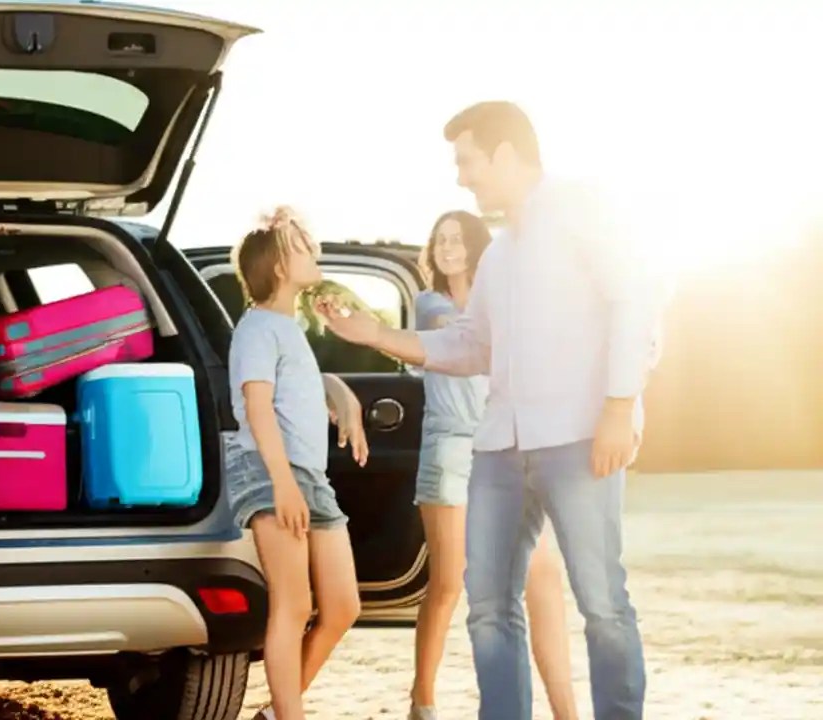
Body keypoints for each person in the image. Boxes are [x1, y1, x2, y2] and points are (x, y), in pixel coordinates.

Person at [317, 101, 658, 720]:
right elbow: (473, 346)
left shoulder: (581, 210)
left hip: (578, 439)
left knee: (603, 604)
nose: (461, 177)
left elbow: (635, 303)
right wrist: (376, 334)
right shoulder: (499, 256)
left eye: (467, 161)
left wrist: (618, 406)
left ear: (504, 154)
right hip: (499, 449)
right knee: (488, 608)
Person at [408, 210, 578, 720]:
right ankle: (422, 700)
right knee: (448, 583)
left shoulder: (503, 302)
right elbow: (456, 332)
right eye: (441, 239)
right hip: (450, 452)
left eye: (458, 239)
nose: (448, 247)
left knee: (543, 577)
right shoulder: (430, 303)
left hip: (502, 451)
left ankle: (566, 711)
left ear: (477, 246)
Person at [226, 208, 366, 720]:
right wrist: (282, 484)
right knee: (294, 604)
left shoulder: (287, 327)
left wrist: (339, 391)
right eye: (303, 246)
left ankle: (275, 713)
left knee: (343, 605)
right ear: (281, 265)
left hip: (309, 476)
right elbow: (258, 406)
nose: (316, 251)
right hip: (273, 472)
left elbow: (294, 387)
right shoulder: (258, 327)